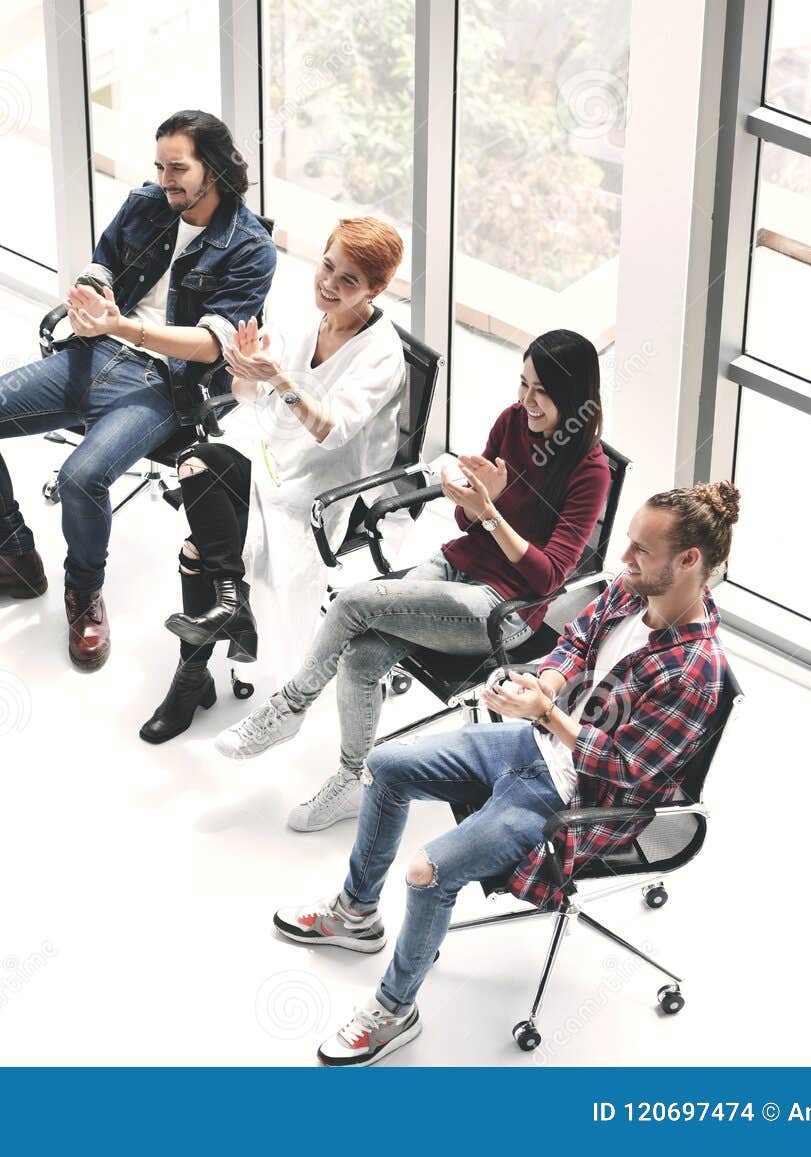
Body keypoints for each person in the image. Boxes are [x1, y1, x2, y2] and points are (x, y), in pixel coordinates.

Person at [272, 482, 739, 1066]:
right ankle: (355, 915)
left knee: (425, 872)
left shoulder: (695, 671)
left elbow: (625, 771)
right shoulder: (628, 592)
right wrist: (546, 684)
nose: (623, 560)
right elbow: (575, 641)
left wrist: (548, 715)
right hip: (536, 743)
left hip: (577, 799)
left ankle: (395, 1010)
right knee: (385, 766)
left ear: (689, 561)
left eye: (641, 550)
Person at [216, 329, 613, 833]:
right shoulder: (511, 422)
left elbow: (549, 577)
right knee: (360, 659)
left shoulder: (590, 472)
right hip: (453, 566)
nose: (525, 400)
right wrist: (473, 503)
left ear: (573, 396)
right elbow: (469, 526)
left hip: (500, 610)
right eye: (523, 384)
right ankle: (350, 779)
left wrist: (490, 511)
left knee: (352, 603)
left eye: (540, 392)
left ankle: (290, 707)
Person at [0, 110, 277, 671]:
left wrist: (122, 326)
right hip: (92, 352)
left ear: (213, 168)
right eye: (160, 165)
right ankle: (15, 554)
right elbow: (104, 264)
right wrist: (92, 296)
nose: (166, 179)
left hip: (165, 382)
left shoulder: (250, 248)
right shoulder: (147, 204)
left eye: (179, 168)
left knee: (82, 476)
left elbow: (213, 346)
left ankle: (83, 592)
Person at [141, 217, 406, 743]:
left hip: (321, 484)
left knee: (200, 544)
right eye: (327, 266)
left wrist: (278, 378)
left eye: (348, 281)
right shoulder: (313, 319)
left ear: (377, 290)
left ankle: (193, 674)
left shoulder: (381, 355)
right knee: (196, 462)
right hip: (270, 450)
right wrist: (244, 367)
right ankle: (227, 608)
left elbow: (331, 433)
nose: (328, 284)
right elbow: (247, 396)